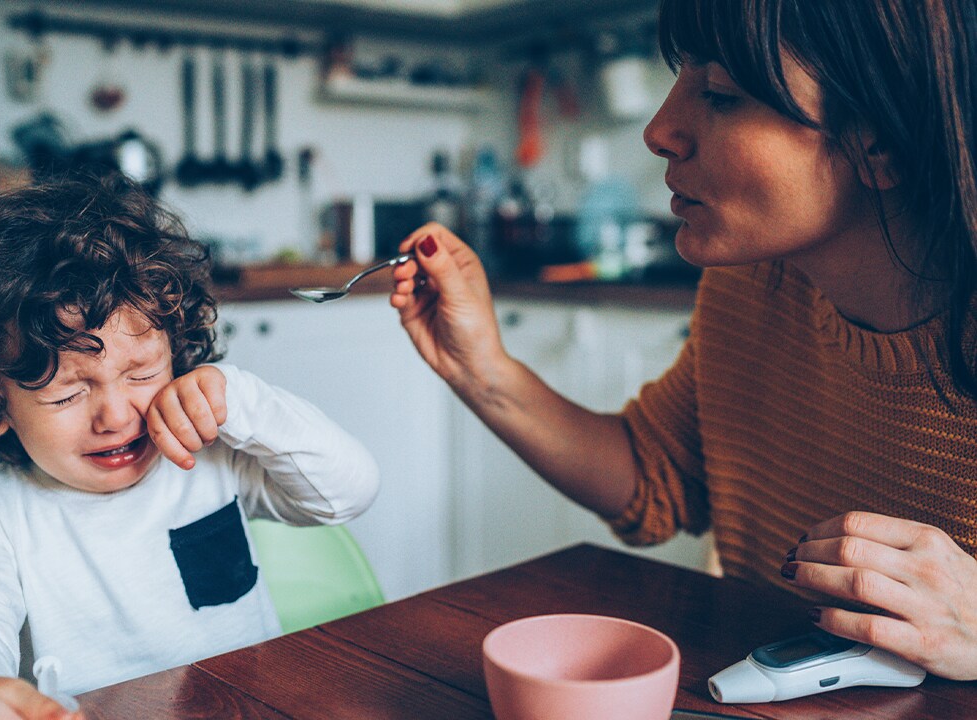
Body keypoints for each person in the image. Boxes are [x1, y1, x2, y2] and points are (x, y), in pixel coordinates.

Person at [391, 0, 977, 681]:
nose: (658, 129)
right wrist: (482, 369)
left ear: (881, 141)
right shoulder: (754, 283)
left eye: (722, 95)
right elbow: (657, 472)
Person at [0, 173, 380, 720]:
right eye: (67, 394)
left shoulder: (214, 454)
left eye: (142, 373)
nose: (117, 417)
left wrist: (237, 399)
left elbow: (348, 492)